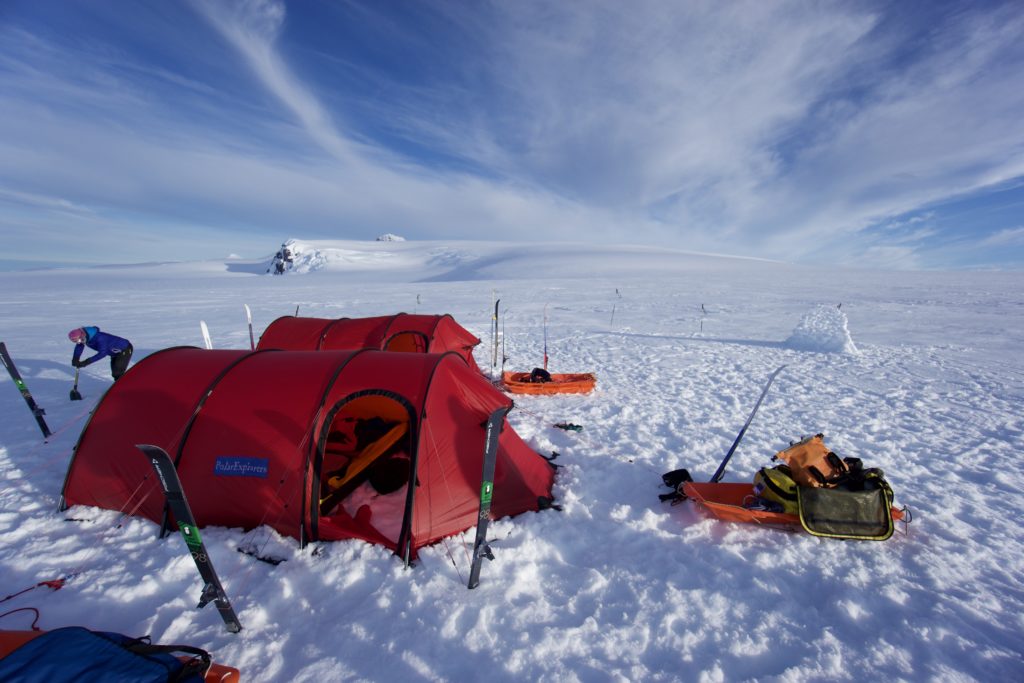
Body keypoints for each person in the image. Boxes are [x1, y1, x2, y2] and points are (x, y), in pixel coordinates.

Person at [68, 326, 133, 380]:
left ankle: (125, 388)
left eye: (79, 340)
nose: (79, 342)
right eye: (76, 341)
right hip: (114, 352)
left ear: (82, 335)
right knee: (115, 374)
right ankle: (120, 387)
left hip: (125, 349)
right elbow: (79, 346)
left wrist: (86, 362)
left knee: (118, 373)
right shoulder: (85, 338)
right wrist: (75, 358)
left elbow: (102, 353)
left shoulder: (100, 338)